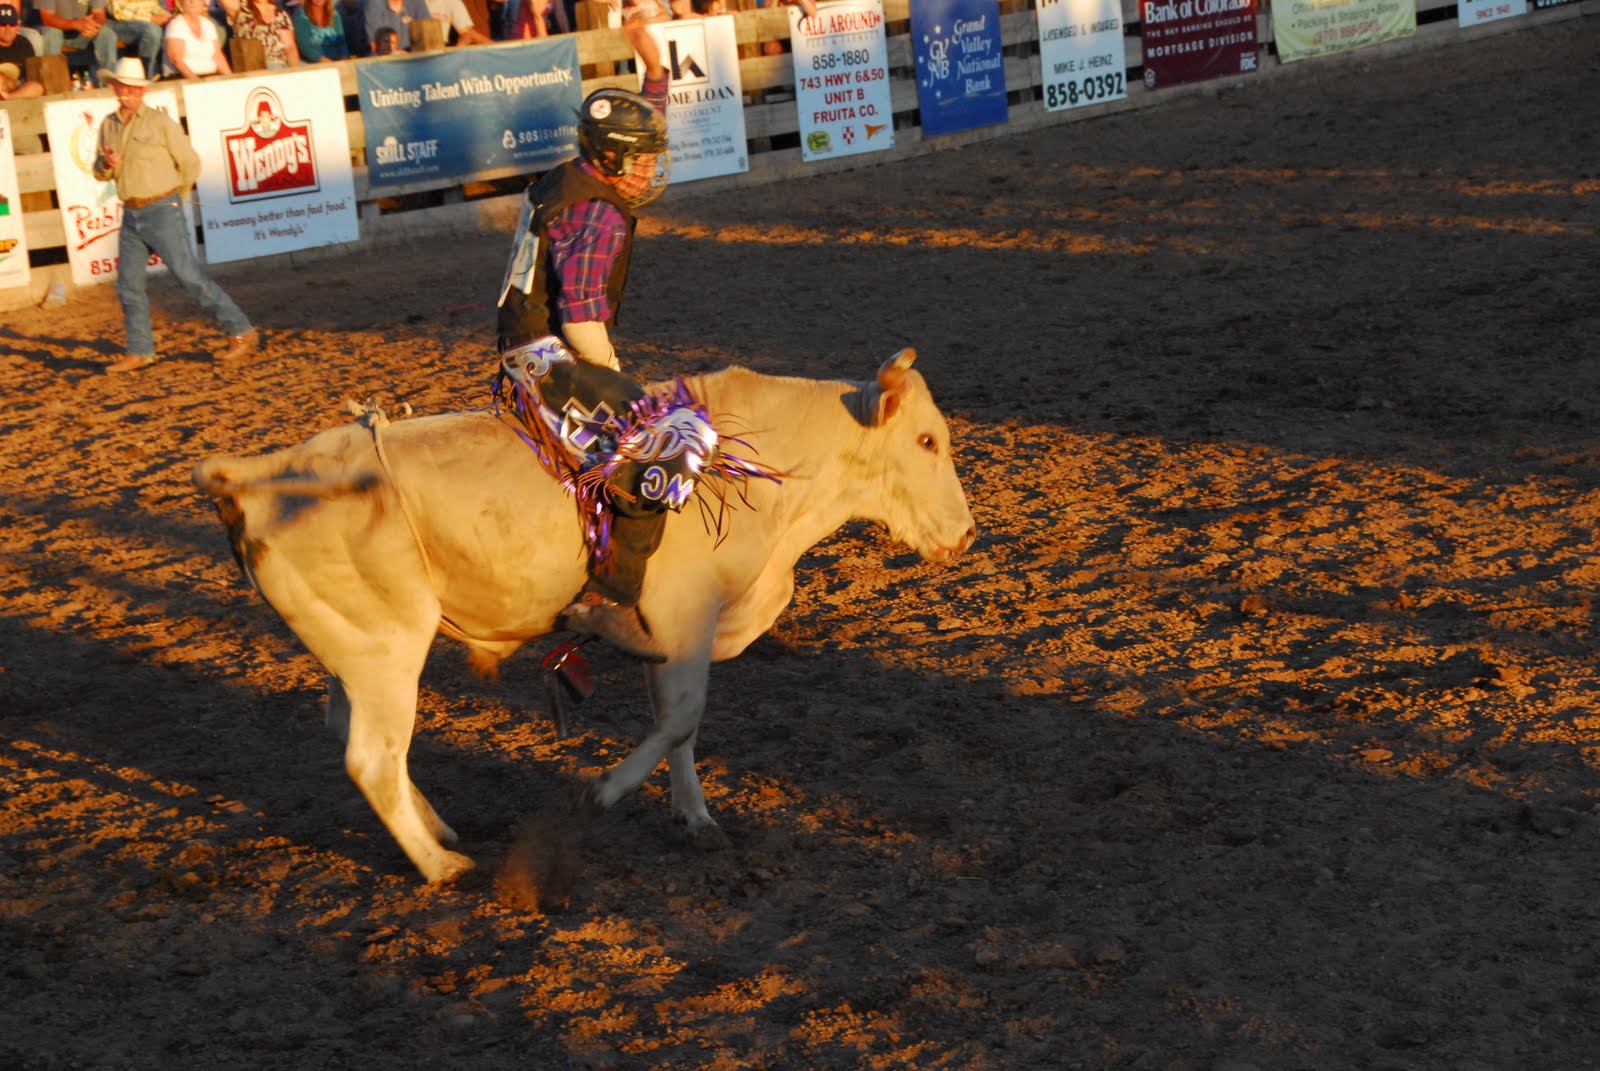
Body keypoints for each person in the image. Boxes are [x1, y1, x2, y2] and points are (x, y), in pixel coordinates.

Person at [494, 8, 671, 660]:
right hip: (547, 352)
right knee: (660, 449)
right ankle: (609, 597)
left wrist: (654, 74)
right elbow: (582, 321)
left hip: (524, 338)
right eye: (646, 160)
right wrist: (624, 385)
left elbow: (639, 131)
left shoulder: (572, 178)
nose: (654, 169)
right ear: (617, 160)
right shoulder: (596, 215)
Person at [92, 57, 258, 373]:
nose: (127, 92)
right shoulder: (108, 125)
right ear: (114, 87)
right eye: (122, 86)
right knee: (129, 284)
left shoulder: (159, 123)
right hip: (133, 211)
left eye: (132, 88)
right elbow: (99, 173)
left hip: (159, 208)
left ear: (141, 90)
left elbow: (190, 163)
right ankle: (140, 349)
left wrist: (173, 198)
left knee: (188, 276)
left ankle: (241, 329)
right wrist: (106, 165)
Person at [35, 0, 119, 83]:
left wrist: (93, 25)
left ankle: (108, 84)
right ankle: (54, 84)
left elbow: (99, 13)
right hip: (50, 30)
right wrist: (76, 24)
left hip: (82, 30)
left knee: (107, 33)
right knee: (53, 33)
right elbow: (48, 19)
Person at [218, 0, 296, 66]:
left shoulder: (281, 14)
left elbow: (290, 47)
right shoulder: (241, 11)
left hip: (280, 65)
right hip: (253, 67)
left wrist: (295, 72)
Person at [163, 0, 229, 75]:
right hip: (183, 78)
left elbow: (218, 56)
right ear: (181, 3)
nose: (192, 1)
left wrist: (230, 78)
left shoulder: (208, 24)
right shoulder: (176, 25)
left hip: (210, 76)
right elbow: (176, 60)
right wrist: (196, 81)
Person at [105, 0, 167, 78]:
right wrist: (150, 19)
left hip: (144, 21)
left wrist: (164, 15)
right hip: (117, 22)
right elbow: (118, 12)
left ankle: (170, 75)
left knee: (174, 25)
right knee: (152, 31)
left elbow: (153, 6)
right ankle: (146, 75)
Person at [0, 1, 47, 100]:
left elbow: (31, 78)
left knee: (37, 87)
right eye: (3, 24)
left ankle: (8, 98)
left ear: (18, 26)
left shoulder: (24, 44)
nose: (8, 29)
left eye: (12, 24)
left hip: (16, 88)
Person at [362, 0, 426, 51]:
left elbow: (429, 34)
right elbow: (374, 45)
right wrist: (399, 55)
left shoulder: (417, 2)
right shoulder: (374, 3)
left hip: (415, 59)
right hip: (384, 61)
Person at [422, 0, 487, 45]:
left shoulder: (452, 2)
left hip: (440, 49)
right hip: (414, 49)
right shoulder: (414, 3)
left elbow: (466, 33)